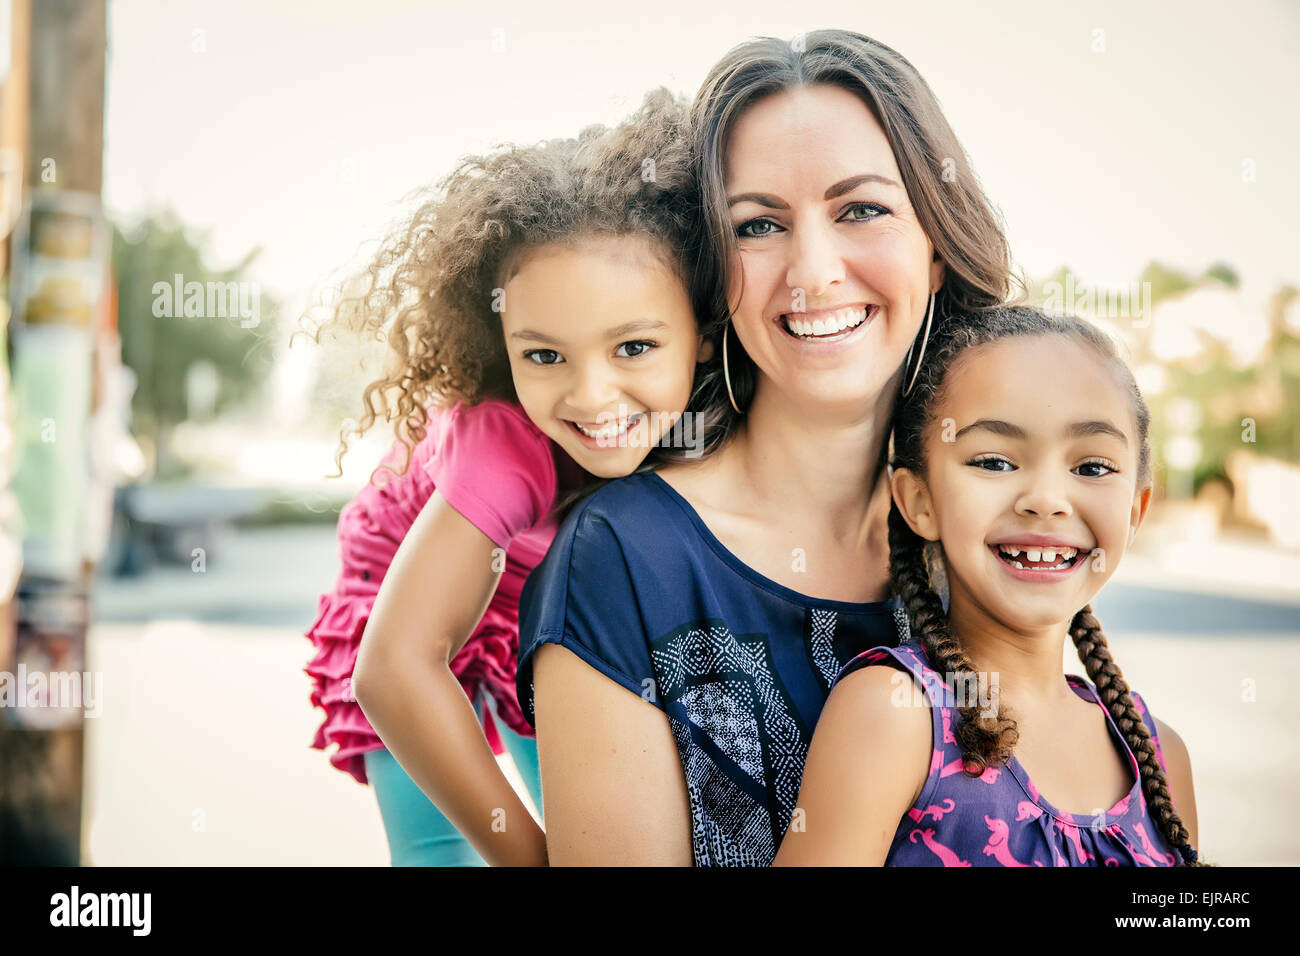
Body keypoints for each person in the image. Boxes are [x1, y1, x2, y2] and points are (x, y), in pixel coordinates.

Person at [516, 30, 1014, 865]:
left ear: (935, 249)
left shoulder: (989, 538)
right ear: (712, 267)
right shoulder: (625, 559)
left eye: (860, 209)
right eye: (757, 225)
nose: (813, 272)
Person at [303, 89, 710, 867]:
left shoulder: (711, 425)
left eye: (633, 348)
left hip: (540, 612)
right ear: (502, 342)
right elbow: (392, 670)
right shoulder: (506, 442)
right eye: (545, 355)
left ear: (701, 325)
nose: (591, 397)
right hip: (411, 603)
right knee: (450, 850)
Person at [775, 306, 1203, 866]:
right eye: (995, 461)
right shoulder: (898, 714)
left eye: (1093, 467)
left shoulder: (1160, 756)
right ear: (919, 502)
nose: (1046, 498)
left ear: (1134, 511)